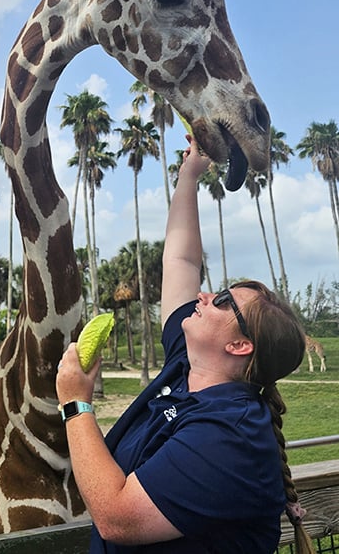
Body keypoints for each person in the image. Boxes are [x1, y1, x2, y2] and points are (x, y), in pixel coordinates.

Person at [56, 139, 313, 553]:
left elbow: (117, 518)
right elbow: (183, 262)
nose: (207, 295)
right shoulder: (186, 366)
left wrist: (75, 404)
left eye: (225, 302)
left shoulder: (232, 435)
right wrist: (190, 173)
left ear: (240, 346)